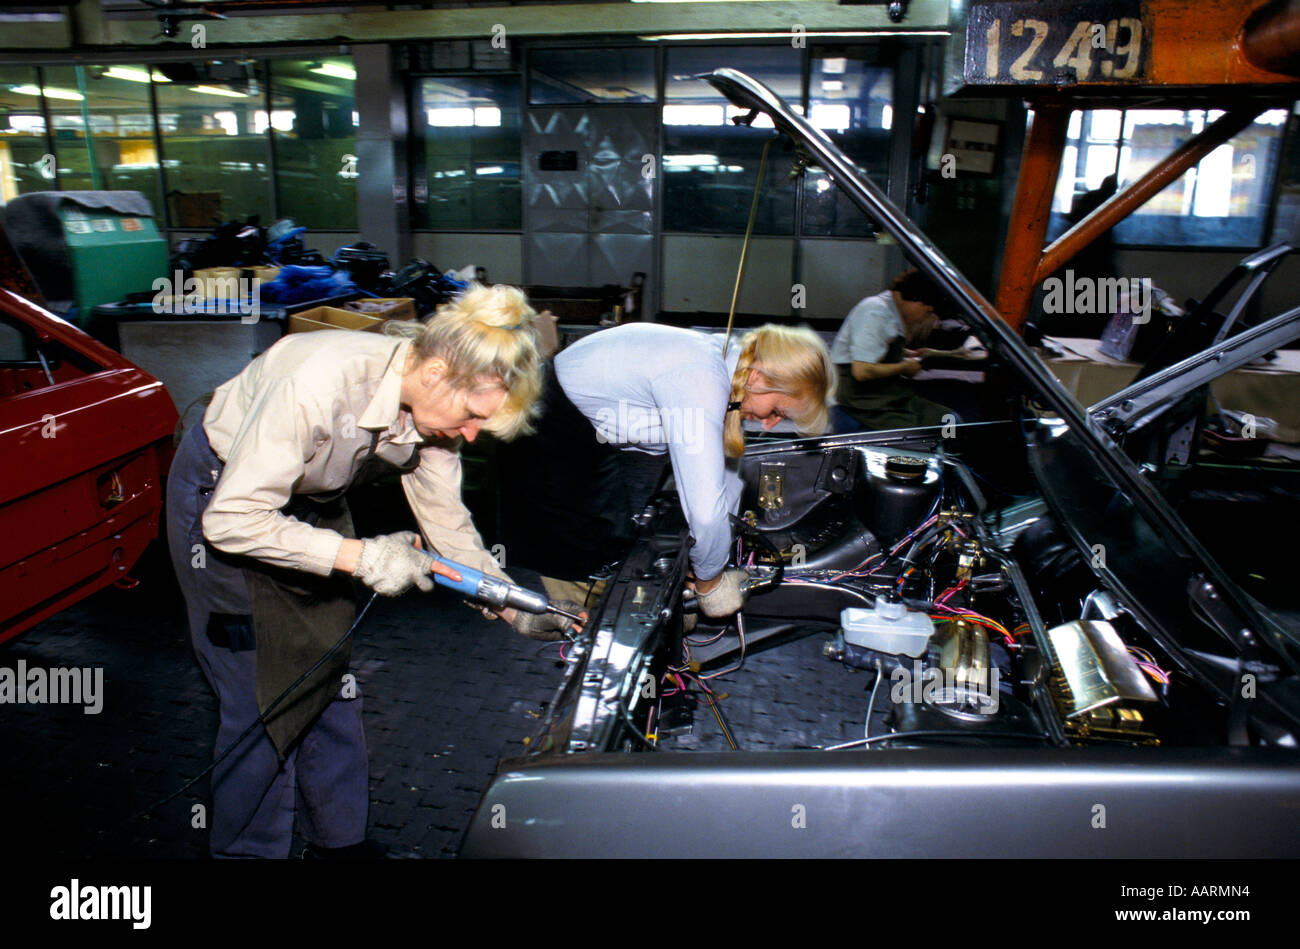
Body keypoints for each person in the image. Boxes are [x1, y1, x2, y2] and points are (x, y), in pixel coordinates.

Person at [166, 284, 579, 859]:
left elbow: (447, 524)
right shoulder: (316, 382)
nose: (470, 435)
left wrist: (510, 603)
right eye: (472, 416)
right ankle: (246, 853)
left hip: (310, 499)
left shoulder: (431, 415)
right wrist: (362, 556)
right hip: (227, 499)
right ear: (436, 373)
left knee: (329, 676)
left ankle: (341, 844)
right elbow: (232, 519)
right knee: (263, 695)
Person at [497, 322, 835, 616]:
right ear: (759, 377)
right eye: (777, 410)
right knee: (582, 569)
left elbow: (724, 478)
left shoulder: (730, 368)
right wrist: (710, 584)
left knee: (612, 545)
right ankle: (586, 653)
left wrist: (721, 555)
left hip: (589, 437)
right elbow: (705, 512)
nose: (771, 422)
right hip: (549, 434)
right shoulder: (701, 377)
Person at [830, 268, 955, 432]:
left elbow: (876, 346)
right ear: (916, 300)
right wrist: (904, 367)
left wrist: (906, 354)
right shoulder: (876, 312)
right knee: (945, 426)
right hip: (861, 401)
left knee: (951, 420)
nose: (924, 318)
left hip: (882, 395)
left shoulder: (889, 309)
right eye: (927, 312)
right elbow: (862, 370)